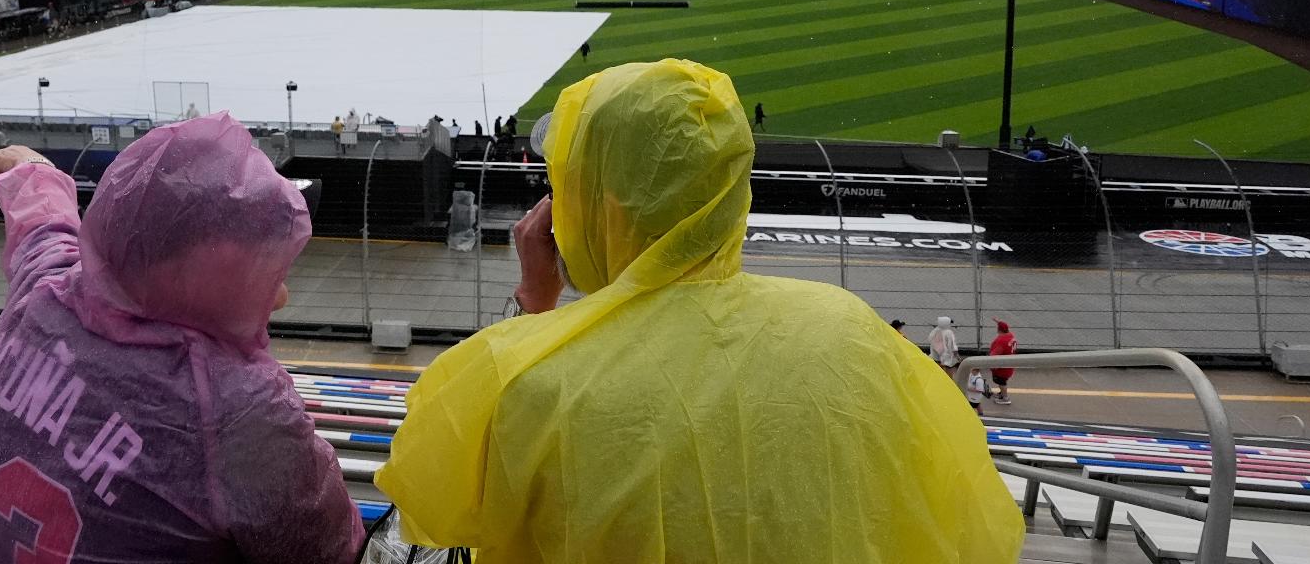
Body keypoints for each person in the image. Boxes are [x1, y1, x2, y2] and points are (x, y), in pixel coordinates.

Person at [376, 60, 1021, 562]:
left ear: (607, 210)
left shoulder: (526, 383)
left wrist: (535, 307)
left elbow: (420, 537)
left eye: (567, 187)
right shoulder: (854, 331)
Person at [0, 114, 360, 564]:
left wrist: (30, 167)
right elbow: (329, 552)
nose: (281, 292)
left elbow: (45, 231)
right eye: (260, 261)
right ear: (210, 278)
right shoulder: (239, 412)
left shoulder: (44, 297)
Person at [988, 320, 1018, 404]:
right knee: (1003, 380)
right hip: (1009, 365)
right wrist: (998, 321)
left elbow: (994, 355)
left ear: (999, 329)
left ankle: (1005, 398)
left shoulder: (1001, 341)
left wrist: (990, 364)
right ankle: (1002, 393)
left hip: (1001, 367)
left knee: (1001, 381)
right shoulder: (1011, 336)